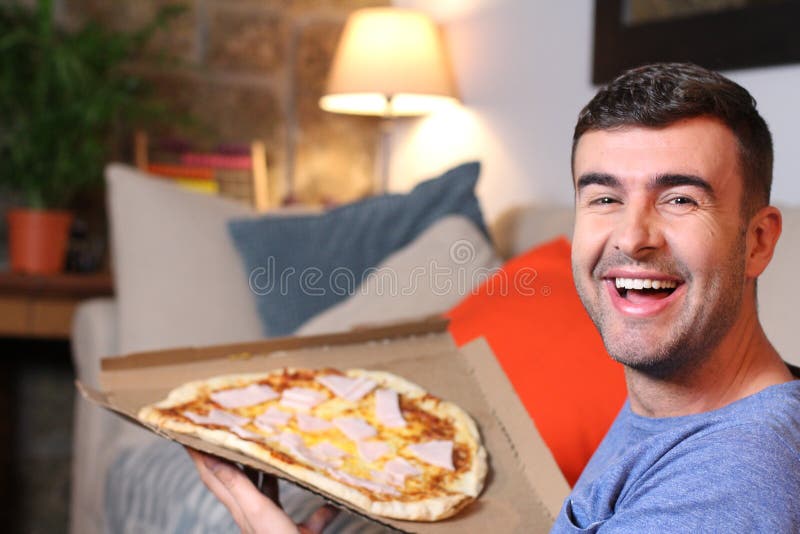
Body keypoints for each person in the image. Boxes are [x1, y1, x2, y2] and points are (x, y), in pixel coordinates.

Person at [188, 62, 800, 532]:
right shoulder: (679, 409)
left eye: (680, 198)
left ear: (758, 241)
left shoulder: (734, 479)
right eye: (604, 198)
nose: (632, 236)